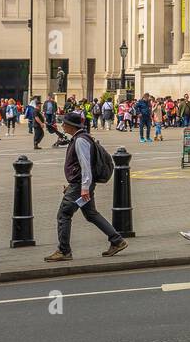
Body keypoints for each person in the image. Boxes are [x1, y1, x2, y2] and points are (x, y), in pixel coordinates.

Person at [44, 111, 128, 261]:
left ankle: (64, 251)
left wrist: (83, 188)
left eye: (64, 123)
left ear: (71, 126)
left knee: (64, 214)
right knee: (91, 214)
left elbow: (85, 166)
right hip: (79, 185)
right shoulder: (81, 137)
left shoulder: (80, 140)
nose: (62, 125)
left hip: (80, 185)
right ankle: (117, 240)